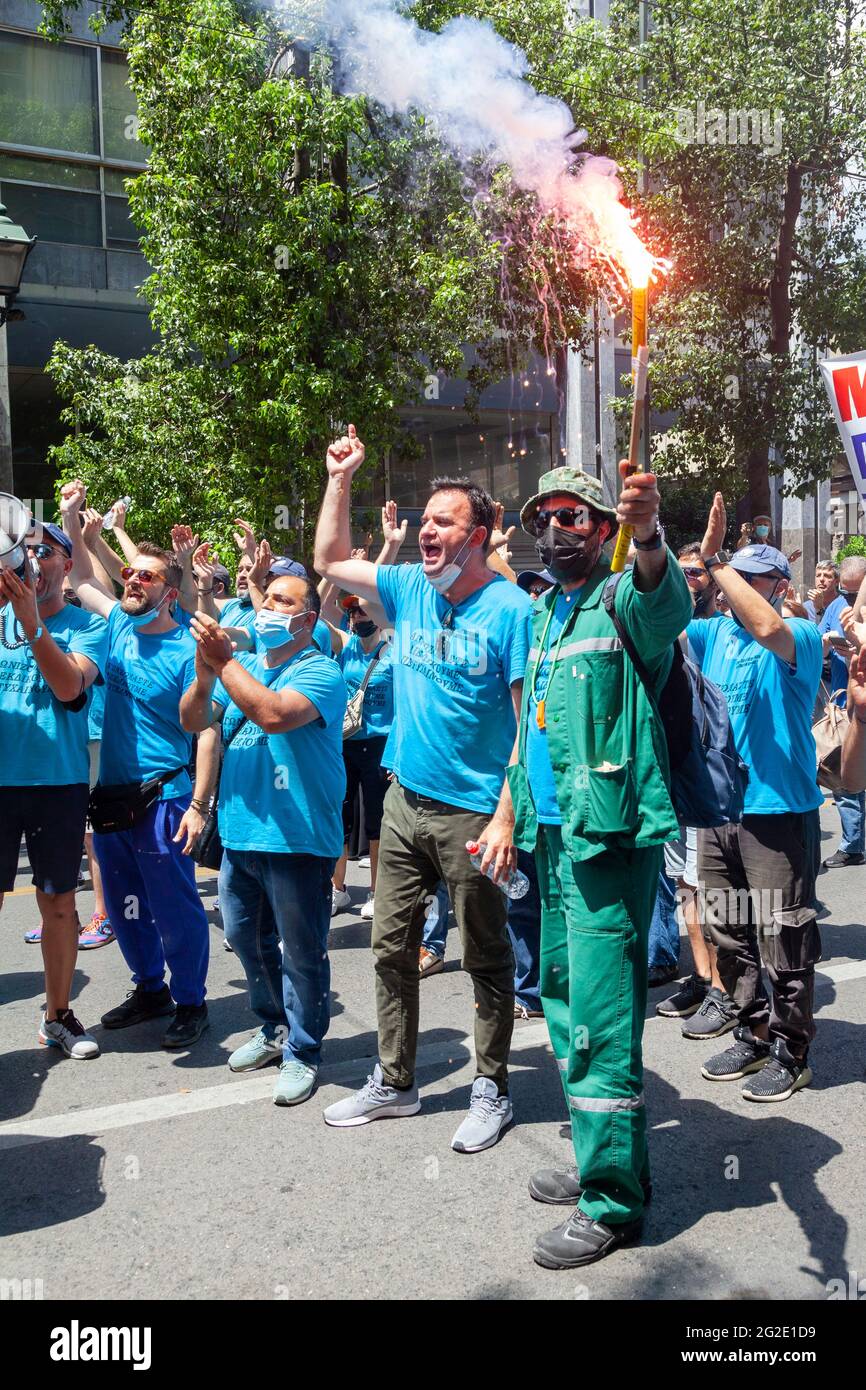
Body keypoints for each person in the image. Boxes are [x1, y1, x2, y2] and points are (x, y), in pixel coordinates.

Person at [315, 425, 531, 1154]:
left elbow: (527, 726)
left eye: (444, 522)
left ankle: (491, 1088)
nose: (427, 531)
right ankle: (395, 1080)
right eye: (425, 520)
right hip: (404, 803)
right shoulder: (408, 587)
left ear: (481, 536)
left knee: (485, 958)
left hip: (476, 815)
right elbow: (330, 559)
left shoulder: (511, 612)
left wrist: (505, 816)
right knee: (388, 948)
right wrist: (340, 478)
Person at [504, 461, 692, 1270]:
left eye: (576, 516)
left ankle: (613, 1203)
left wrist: (649, 533)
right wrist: (508, 810)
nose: (556, 528)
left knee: (604, 1022)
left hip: (607, 843)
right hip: (552, 840)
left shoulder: (622, 603)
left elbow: (666, 597)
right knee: (564, 997)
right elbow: (530, 731)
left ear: (605, 530)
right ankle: (596, 1161)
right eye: (545, 516)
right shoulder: (545, 611)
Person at [61, 481, 218, 1049]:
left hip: (165, 799)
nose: (132, 579)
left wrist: (199, 805)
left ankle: (191, 1001)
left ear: (169, 593)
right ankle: (150, 988)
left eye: (146, 575)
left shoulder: (187, 651)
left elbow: (205, 733)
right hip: (114, 797)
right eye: (131, 573)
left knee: (174, 909)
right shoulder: (119, 626)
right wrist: (73, 520)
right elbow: (81, 579)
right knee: (126, 908)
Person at [180, 574, 346, 1105]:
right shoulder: (246, 666)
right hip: (241, 837)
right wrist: (207, 676)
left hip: (297, 839)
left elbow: (272, 715)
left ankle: (304, 1049)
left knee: (301, 951)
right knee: (246, 941)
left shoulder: (319, 670)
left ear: (308, 620)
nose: (269, 608)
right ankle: (273, 1027)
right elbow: (194, 721)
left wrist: (222, 661)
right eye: (266, 598)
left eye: (283, 601)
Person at [689, 517, 823, 1104]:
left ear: (778, 585)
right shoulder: (712, 634)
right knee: (729, 928)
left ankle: (792, 1053)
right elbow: (657, 620)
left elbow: (766, 623)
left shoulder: (798, 631)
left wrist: (719, 560)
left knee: (783, 935)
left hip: (775, 812)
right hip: (720, 809)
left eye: (751, 578)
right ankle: (752, 1030)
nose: (733, 588)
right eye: (731, 578)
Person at [0, 516, 107, 1058]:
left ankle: (58, 1015)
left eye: (45, 553)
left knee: (59, 905)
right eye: (23, 551)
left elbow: (69, 686)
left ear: (67, 565)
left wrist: (30, 624)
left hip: (56, 783)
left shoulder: (88, 627)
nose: (32, 562)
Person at [656, 545, 729, 1026]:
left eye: (694, 572)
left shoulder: (710, 628)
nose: (688, 579)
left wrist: (715, 556)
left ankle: (725, 990)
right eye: (680, 572)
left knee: (712, 889)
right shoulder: (660, 624)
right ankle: (703, 978)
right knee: (685, 884)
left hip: (706, 778)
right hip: (672, 777)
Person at [327, 594, 394, 920]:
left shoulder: (395, 653)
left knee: (377, 823)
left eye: (363, 609)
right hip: (347, 743)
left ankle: (375, 892)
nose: (356, 616)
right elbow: (320, 610)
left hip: (381, 745)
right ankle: (337, 890)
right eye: (352, 611)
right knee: (340, 814)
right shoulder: (344, 645)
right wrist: (336, 575)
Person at [817, 557, 866, 868]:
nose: (850, 600)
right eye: (846, 594)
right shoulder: (836, 607)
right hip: (846, 703)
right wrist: (829, 644)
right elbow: (817, 645)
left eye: (855, 593)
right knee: (844, 776)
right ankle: (852, 843)